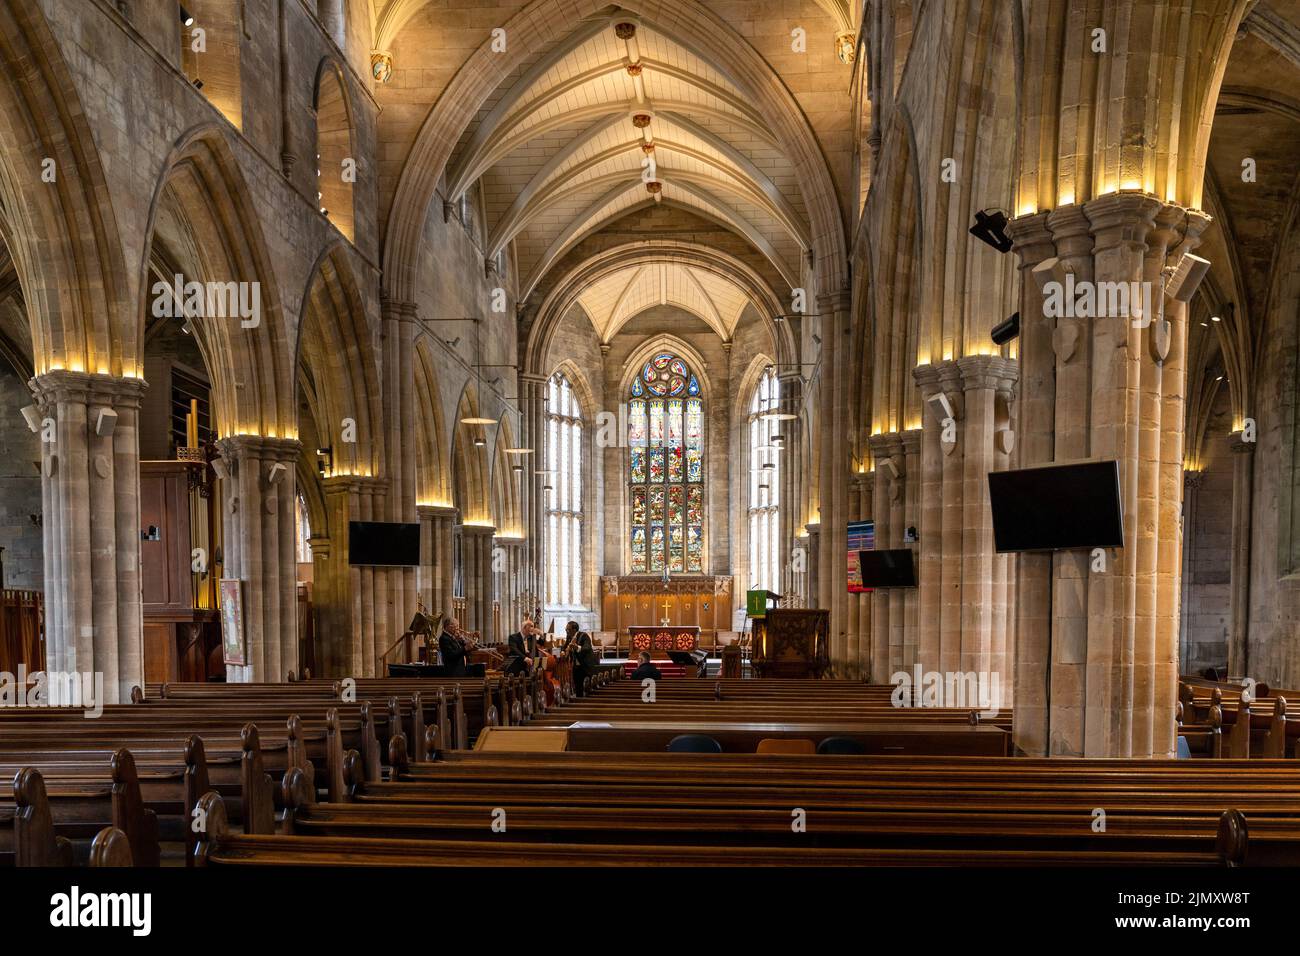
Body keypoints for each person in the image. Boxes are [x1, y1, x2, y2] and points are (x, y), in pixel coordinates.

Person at [565, 620, 599, 697]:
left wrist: (576, 647)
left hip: (586, 666)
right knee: (578, 687)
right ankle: (579, 704)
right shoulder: (569, 637)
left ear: (574, 630)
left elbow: (587, 648)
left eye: (568, 630)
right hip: (576, 667)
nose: (567, 631)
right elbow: (565, 647)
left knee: (588, 688)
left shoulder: (584, 636)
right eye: (566, 629)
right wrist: (563, 651)